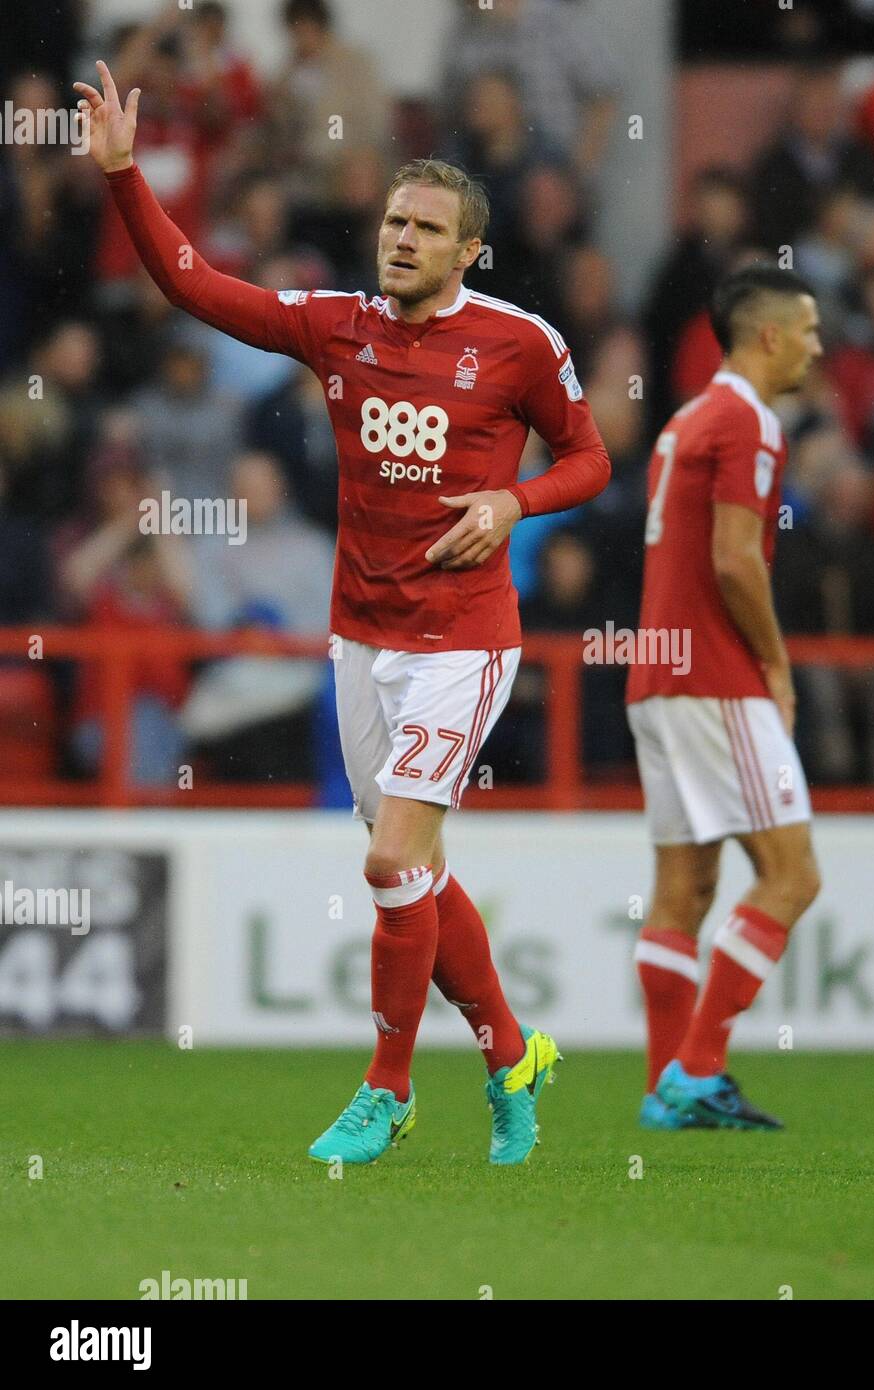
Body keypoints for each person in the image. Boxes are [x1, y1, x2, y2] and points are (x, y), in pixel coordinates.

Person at [74, 60, 610, 1166]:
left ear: (469, 251)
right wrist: (127, 176)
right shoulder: (333, 327)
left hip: (463, 639)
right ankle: (512, 1053)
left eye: (426, 227)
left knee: (388, 863)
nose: (400, 238)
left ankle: (388, 1087)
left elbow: (592, 457)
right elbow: (194, 286)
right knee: (410, 868)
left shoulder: (518, 343)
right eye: (392, 220)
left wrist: (514, 498)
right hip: (360, 636)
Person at [625, 266, 823, 1130]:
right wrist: (777, 666)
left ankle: (664, 1090)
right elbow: (736, 559)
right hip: (713, 676)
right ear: (769, 334)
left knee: (684, 889)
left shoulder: (683, 421)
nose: (819, 345)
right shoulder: (749, 419)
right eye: (810, 329)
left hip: (656, 676)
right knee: (791, 875)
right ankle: (696, 1073)